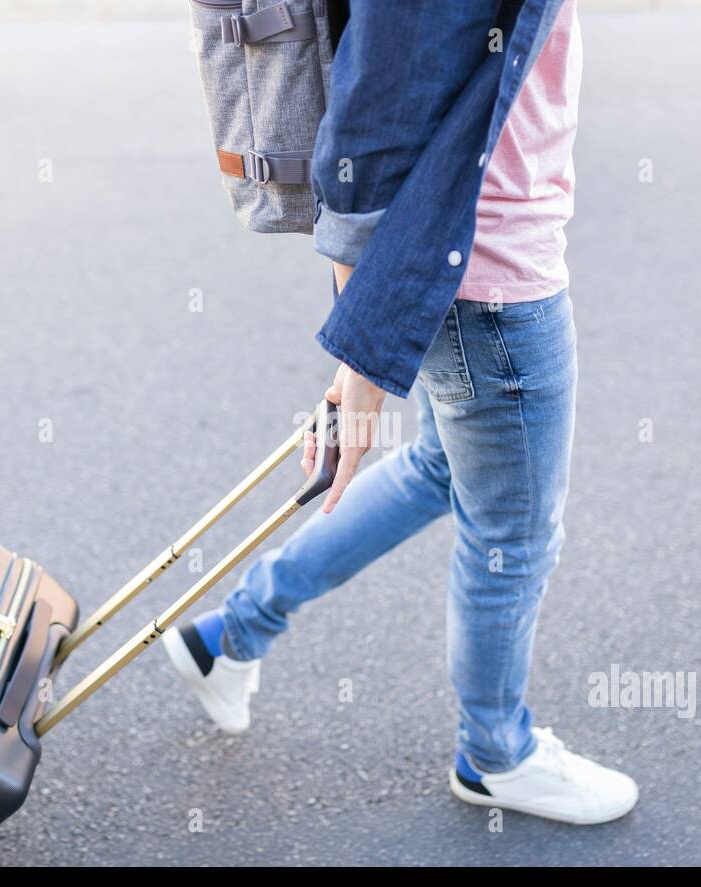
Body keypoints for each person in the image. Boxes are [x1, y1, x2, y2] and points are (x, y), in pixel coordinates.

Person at [163, 0, 638, 825]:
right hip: (486, 272)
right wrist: (364, 344)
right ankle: (496, 755)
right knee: (514, 532)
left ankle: (232, 633)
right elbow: (371, 109)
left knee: (442, 468)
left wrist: (367, 335)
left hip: (465, 253)